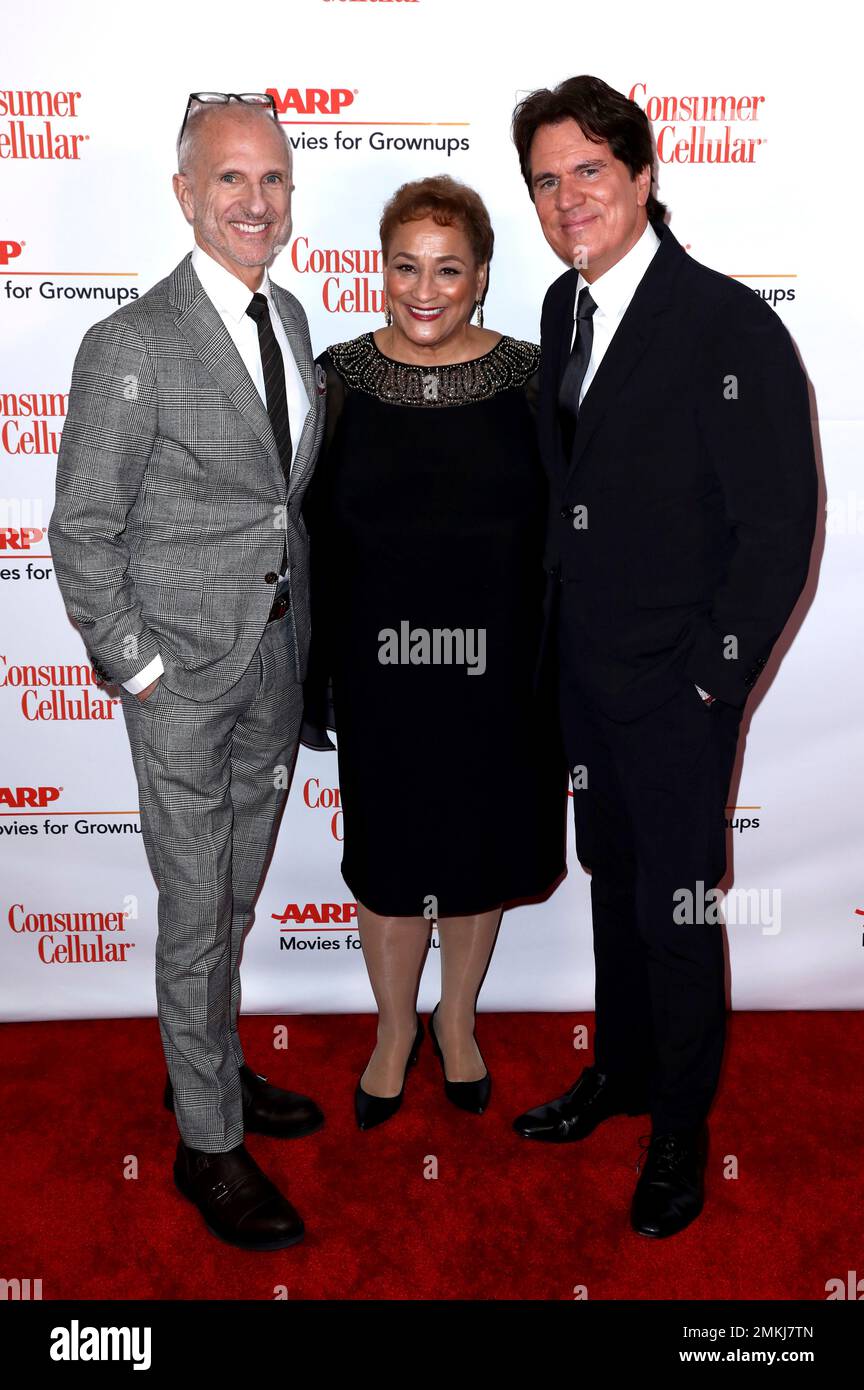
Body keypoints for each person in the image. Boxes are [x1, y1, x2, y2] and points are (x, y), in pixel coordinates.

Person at [509, 76, 817, 1237]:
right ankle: (623, 1073)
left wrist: (709, 678)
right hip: (585, 675)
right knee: (616, 889)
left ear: (643, 177)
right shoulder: (558, 307)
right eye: (546, 179)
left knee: (679, 908)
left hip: (678, 688)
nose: (567, 197)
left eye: (590, 170)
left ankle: (681, 1125)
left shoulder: (727, 326)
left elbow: (781, 526)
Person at [48, 92, 326, 1252]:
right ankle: (206, 1143)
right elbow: (82, 531)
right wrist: (140, 670)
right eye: (230, 180)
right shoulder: (132, 342)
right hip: (182, 683)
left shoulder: (295, 318)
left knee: (236, 892)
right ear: (184, 194)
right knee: (195, 912)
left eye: (272, 181)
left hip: (275, 665)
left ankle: (202, 1065)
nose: (255, 202)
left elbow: (277, 500)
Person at [301, 175, 568, 1130]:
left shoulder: (534, 380)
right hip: (380, 679)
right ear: (380, 269)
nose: (425, 288)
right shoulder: (335, 379)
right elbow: (301, 531)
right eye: (406, 266)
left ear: (481, 275)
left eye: (448, 269)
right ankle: (392, 1030)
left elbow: (566, 534)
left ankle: (456, 1023)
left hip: (498, 683)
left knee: (476, 851)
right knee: (388, 859)